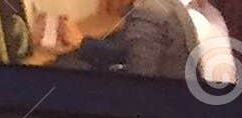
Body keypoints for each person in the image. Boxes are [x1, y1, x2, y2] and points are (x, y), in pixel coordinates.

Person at [59, 0, 199, 77]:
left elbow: (137, 83)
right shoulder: (170, 4)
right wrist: (82, 43)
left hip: (160, 111)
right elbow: (130, 53)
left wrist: (82, 44)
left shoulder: (146, 14)